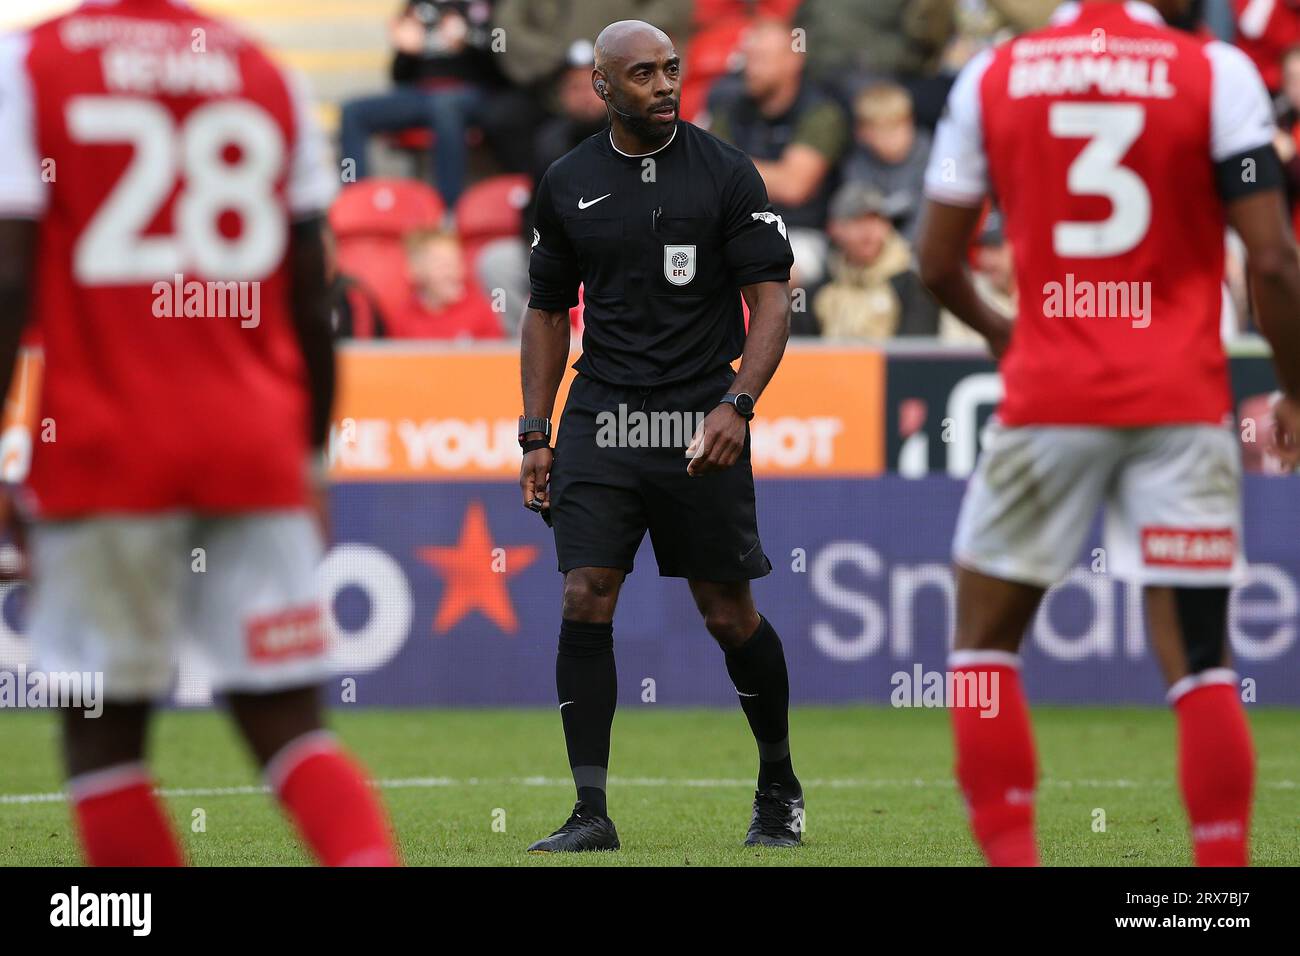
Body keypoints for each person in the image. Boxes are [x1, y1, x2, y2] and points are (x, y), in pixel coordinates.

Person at [0, 0, 399, 866]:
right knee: (290, 726)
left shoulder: (29, 64)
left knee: (104, 741)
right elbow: (310, 294)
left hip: (106, 446)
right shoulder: (264, 70)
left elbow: (7, 273)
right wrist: (310, 460)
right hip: (251, 448)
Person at [918, 0, 1300, 867]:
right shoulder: (1216, 70)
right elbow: (1273, 258)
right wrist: (1297, 391)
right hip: (1182, 401)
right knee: (1201, 664)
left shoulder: (996, 73)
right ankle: (1216, 896)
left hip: (1048, 396)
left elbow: (937, 261)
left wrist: (1005, 332)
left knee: (982, 650)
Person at [519, 19, 800, 852]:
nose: (666, 85)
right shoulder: (568, 182)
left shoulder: (725, 171)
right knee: (584, 593)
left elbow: (774, 300)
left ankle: (779, 783)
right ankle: (590, 811)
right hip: (602, 412)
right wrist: (535, 432)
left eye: (672, 69)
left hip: (698, 412)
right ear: (603, 87)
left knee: (727, 613)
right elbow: (543, 311)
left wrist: (737, 406)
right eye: (643, 74)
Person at [707, 17, 849, 287]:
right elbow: (706, 174)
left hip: (799, 234)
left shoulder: (820, 111)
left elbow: (794, 186)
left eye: (761, 59)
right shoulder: (730, 107)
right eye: (748, 58)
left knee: (767, 276)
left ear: (792, 61)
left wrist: (731, 170)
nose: (751, 69)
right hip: (733, 230)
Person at [339, 0, 498, 205]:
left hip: (470, 93)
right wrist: (405, 51)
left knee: (445, 107)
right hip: (421, 94)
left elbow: (502, 63)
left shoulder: (484, 6)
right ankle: (353, 199)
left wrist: (468, 40)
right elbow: (399, 77)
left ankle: (448, 210)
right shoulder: (417, 7)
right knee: (351, 112)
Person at [796, 183, 939, 339]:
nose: (869, 232)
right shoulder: (814, 292)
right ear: (834, 229)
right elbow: (800, 350)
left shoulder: (915, 287)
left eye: (877, 221)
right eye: (857, 221)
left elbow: (917, 354)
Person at [843, 83, 933, 243]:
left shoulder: (931, 157)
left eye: (894, 127)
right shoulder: (858, 162)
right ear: (862, 133)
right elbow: (854, 213)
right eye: (878, 129)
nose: (887, 138)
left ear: (910, 122)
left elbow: (929, 220)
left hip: (920, 247)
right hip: (875, 248)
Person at [392, 228, 503, 339]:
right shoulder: (403, 316)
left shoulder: (482, 310)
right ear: (415, 270)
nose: (452, 272)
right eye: (442, 266)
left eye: (456, 263)